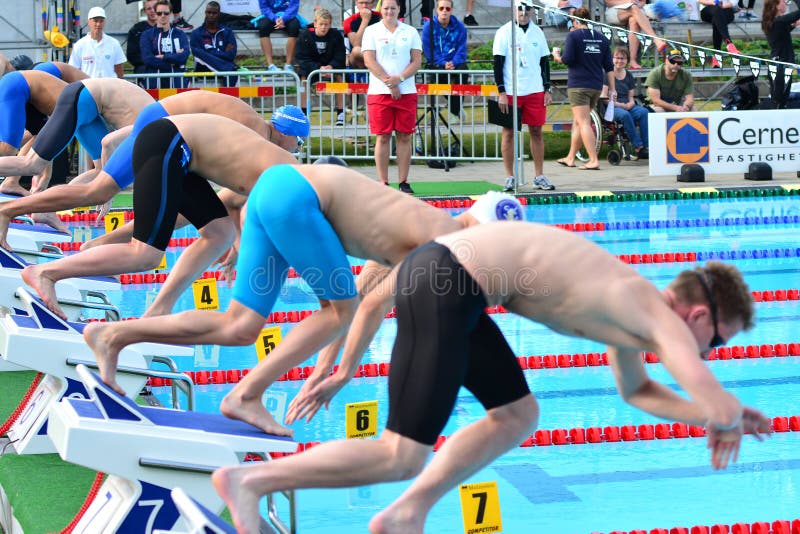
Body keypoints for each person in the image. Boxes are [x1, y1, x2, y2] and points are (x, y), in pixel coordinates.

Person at [212, 224, 770, 534]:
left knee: (519, 414)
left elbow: (637, 391)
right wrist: (723, 414)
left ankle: (409, 512)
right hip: (445, 280)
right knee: (400, 454)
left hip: (456, 284)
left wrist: (716, 414)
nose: (712, 352)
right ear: (700, 317)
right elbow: (692, 374)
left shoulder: (635, 319)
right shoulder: (649, 306)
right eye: (719, 341)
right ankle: (253, 483)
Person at [81, 165, 523, 433]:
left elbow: (363, 295)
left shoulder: (421, 226)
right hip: (295, 199)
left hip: (275, 190)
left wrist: (323, 368)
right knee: (339, 309)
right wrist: (342, 374)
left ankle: (114, 334)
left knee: (240, 326)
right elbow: (364, 309)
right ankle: (246, 395)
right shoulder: (442, 243)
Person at [10, 103, 305, 319]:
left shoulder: (276, 159)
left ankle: (159, 307)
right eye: (300, 141)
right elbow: (268, 222)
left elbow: (232, 205)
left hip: (177, 145)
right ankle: (45, 269)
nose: (299, 148)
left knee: (219, 231)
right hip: (170, 141)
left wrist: (239, 247)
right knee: (144, 252)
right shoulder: (288, 169)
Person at [0, 78, 155, 192]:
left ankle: (49, 210)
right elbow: (108, 142)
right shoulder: (154, 128)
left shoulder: (159, 128)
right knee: (33, 164)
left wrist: (105, 185)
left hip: (92, 105)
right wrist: (108, 191)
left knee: (99, 172)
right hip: (83, 97)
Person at [493, 0, 555, 191]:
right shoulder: (504, 32)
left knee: (536, 131)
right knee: (508, 132)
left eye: (527, 8)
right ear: (514, 9)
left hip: (535, 90)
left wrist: (547, 88)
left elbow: (544, 62)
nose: (524, 12)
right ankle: (509, 177)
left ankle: (539, 175)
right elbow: (498, 63)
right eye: (520, 8)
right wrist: (501, 91)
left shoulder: (538, 32)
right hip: (511, 91)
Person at [362, 0, 422, 194]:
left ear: (399, 10)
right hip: (379, 92)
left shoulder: (410, 31)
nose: (389, 11)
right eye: (386, 8)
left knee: (405, 136)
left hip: (407, 91)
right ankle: (383, 182)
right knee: (383, 136)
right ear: (381, 10)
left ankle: (403, 181)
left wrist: (400, 78)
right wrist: (389, 82)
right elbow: (369, 60)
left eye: (393, 8)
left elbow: (416, 61)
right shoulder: (372, 31)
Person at [552, 8, 615, 170]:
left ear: (576, 21)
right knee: (578, 123)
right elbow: (609, 67)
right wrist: (612, 89)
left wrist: (556, 56)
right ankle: (570, 157)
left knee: (584, 122)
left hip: (578, 85)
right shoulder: (601, 38)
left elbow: (567, 60)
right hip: (595, 86)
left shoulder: (573, 35)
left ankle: (593, 160)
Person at [0, 70, 68, 200]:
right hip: (15, 87)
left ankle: (11, 182)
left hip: (23, 90)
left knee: (38, 136)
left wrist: (45, 178)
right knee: (8, 150)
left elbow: (46, 137)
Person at [296, 7, 346, 124]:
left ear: (330, 24)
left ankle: (341, 113)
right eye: (321, 24)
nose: (324, 27)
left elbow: (340, 55)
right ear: (315, 24)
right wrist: (318, 68)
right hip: (311, 68)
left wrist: (331, 67)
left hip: (331, 68)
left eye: (326, 24)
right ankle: (304, 113)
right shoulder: (305, 35)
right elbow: (302, 58)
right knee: (303, 78)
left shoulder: (336, 35)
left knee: (340, 77)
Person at [421, 0, 468, 122]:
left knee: (463, 72)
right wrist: (443, 63)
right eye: (441, 8)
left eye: (447, 9)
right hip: (437, 63)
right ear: (436, 10)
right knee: (440, 77)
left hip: (455, 63)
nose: (444, 11)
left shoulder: (460, 26)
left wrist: (454, 62)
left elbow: (462, 49)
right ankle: (456, 109)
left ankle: (454, 109)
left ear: (451, 10)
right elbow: (428, 51)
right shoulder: (428, 27)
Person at [609, 46, 649, 158]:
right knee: (625, 115)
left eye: (623, 58)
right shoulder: (607, 74)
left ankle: (646, 146)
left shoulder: (629, 75)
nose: (620, 61)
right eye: (617, 58)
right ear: (612, 58)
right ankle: (638, 146)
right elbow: (605, 99)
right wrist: (621, 105)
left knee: (644, 112)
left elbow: (631, 96)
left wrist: (630, 104)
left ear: (627, 60)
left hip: (627, 104)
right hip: (612, 106)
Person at [141, 0, 190, 89]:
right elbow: (147, 58)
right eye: (159, 13)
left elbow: (184, 56)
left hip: (176, 83)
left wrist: (164, 57)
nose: (163, 16)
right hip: (154, 82)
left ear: (171, 13)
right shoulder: (147, 34)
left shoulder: (180, 34)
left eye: (166, 13)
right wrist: (172, 62)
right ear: (155, 14)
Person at [605, 0, 667, 70]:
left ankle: (632, 61)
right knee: (634, 8)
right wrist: (629, 2)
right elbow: (609, 2)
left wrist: (638, 4)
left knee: (634, 21)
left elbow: (642, 2)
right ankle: (656, 39)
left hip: (635, 11)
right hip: (614, 11)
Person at [190, 1, 239, 87]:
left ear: (219, 14)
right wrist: (221, 54)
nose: (211, 15)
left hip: (224, 72)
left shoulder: (227, 32)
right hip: (204, 70)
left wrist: (209, 51)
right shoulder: (196, 33)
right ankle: (226, 67)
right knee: (200, 54)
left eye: (214, 13)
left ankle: (225, 69)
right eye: (209, 12)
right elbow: (197, 54)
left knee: (231, 74)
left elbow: (230, 55)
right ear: (205, 13)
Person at [68, 7, 127, 78]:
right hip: (88, 87)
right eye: (95, 21)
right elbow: (74, 70)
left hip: (109, 87)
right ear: (89, 22)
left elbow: (119, 70)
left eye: (101, 21)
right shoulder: (80, 45)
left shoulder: (114, 43)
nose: (98, 24)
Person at [762, 0, 800, 109]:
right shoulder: (779, 21)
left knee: (779, 101)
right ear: (776, 6)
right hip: (780, 66)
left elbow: (783, 32)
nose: (785, 4)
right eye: (783, 2)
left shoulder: (774, 22)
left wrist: (794, 24)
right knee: (779, 102)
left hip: (778, 65)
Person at [256, 0, 301, 71]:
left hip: (288, 16)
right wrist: (275, 18)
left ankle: (288, 65)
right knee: (263, 27)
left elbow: (293, 6)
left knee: (294, 27)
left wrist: (283, 19)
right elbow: (264, 7)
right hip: (270, 15)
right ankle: (270, 65)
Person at [699, 0, 740, 65]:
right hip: (708, 9)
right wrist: (713, 3)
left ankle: (717, 55)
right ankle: (728, 43)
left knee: (717, 18)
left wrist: (723, 6)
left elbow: (733, 2)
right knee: (717, 13)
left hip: (726, 10)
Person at [127, 0, 158, 86]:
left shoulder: (169, 28)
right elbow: (132, 55)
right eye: (149, 8)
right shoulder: (137, 30)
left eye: (155, 7)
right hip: (145, 69)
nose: (152, 10)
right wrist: (152, 60)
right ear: (145, 11)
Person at [345, 0, 381, 69]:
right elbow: (356, 44)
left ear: (373, 4)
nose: (364, 6)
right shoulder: (349, 21)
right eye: (361, 3)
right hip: (358, 59)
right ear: (357, 4)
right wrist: (365, 21)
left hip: (378, 51)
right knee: (356, 50)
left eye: (367, 3)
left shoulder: (381, 17)